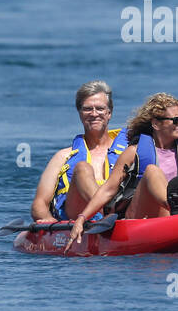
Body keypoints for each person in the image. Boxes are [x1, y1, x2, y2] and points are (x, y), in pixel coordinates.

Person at [66, 93, 178, 249]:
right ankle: (173, 204)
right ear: (156, 123)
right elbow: (108, 190)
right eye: (174, 120)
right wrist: (82, 218)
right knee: (152, 171)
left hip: (176, 218)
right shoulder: (133, 152)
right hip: (140, 216)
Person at [30, 81, 129, 224]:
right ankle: (111, 217)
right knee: (82, 168)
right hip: (77, 215)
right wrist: (52, 226)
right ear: (80, 113)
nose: (94, 114)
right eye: (87, 109)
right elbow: (39, 205)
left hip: (122, 214)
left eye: (100, 108)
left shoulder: (129, 151)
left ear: (109, 113)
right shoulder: (63, 156)